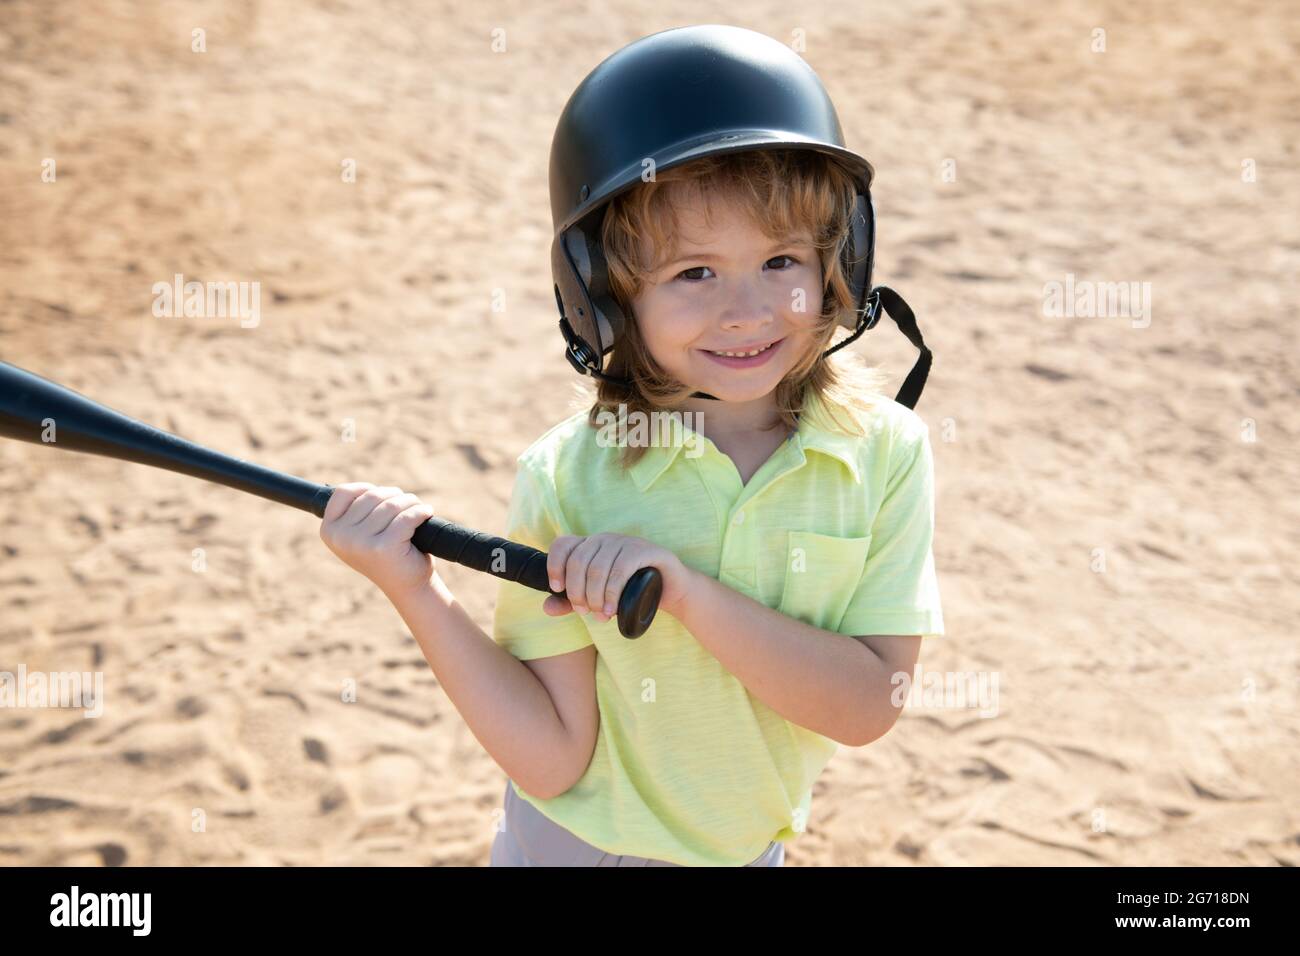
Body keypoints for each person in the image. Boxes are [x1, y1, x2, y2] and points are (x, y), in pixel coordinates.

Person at [319, 25, 944, 867]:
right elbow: (551, 756)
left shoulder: (883, 453)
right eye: (693, 273)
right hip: (569, 851)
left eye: (782, 260)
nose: (747, 311)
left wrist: (685, 594)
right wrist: (415, 590)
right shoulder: (571, 475)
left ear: (844, 261)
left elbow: (868, 706)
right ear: (603, 300)